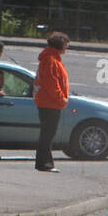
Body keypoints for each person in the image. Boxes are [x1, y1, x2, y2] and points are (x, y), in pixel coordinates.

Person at [33, 32, 70, 172]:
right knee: (47, 134)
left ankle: (45, 163)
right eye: (66, 44)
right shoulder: (50, 60)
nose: (67, 47)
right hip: (49, 103)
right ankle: (44, 163)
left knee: (47, 134)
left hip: (49, 102)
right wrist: (61, 99)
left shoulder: (53, 58)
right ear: (60, 44)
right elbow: (52, 83)